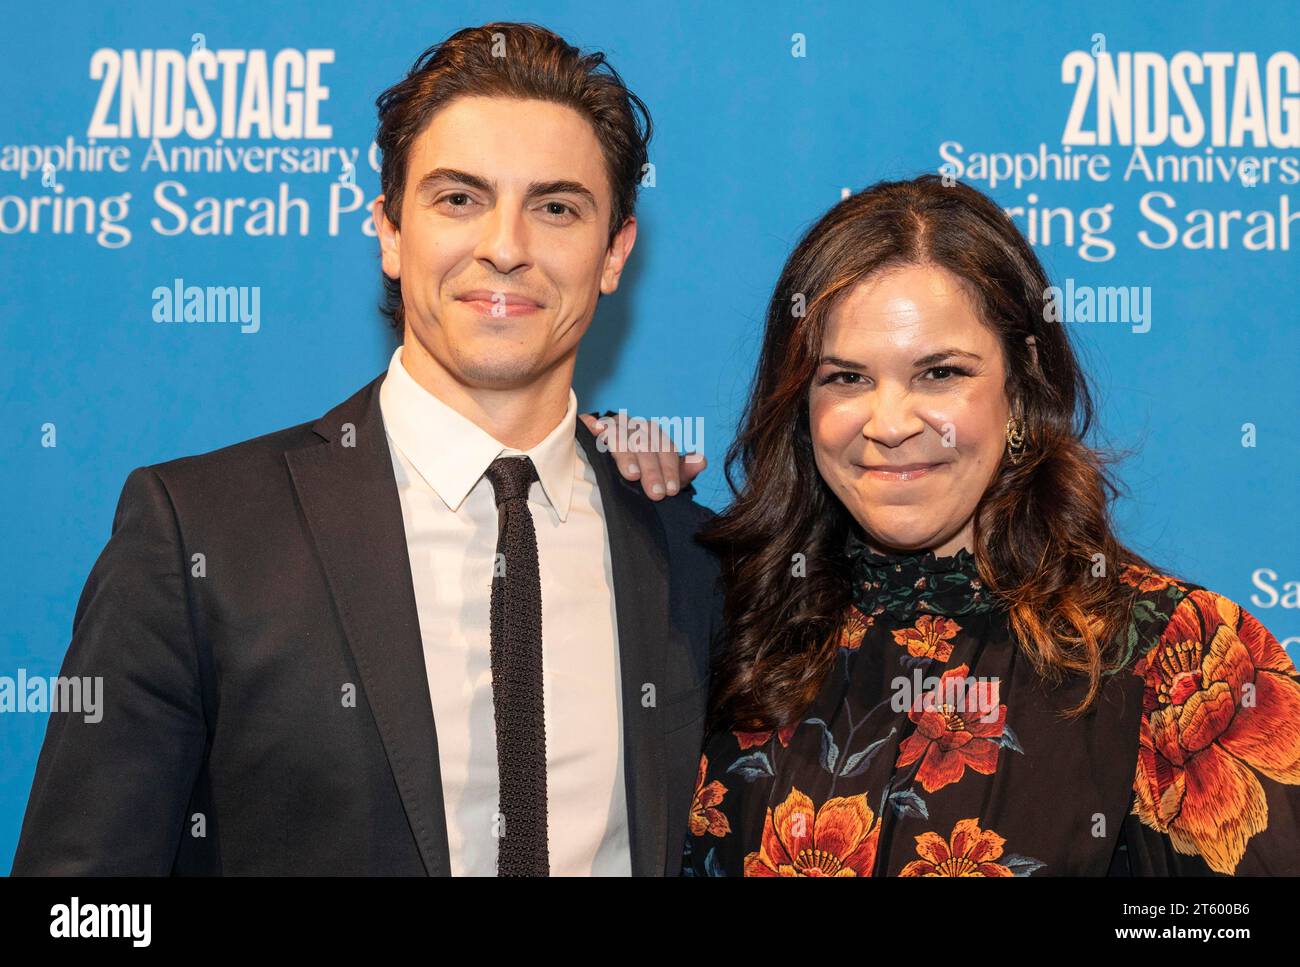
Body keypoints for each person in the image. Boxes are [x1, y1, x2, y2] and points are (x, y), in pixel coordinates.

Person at [12, 22, 719, 877]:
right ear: (387, 230)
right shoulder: (198, 534)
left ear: (614, 253)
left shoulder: (688, 555)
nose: (505, 246)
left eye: (556, 207)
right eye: (458, 198)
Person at [671, 175, 1300, 876]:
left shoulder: (1175, 659)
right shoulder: (723, 624)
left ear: (1023, 383)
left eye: (940, 373)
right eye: (846, 378)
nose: (890, 424)